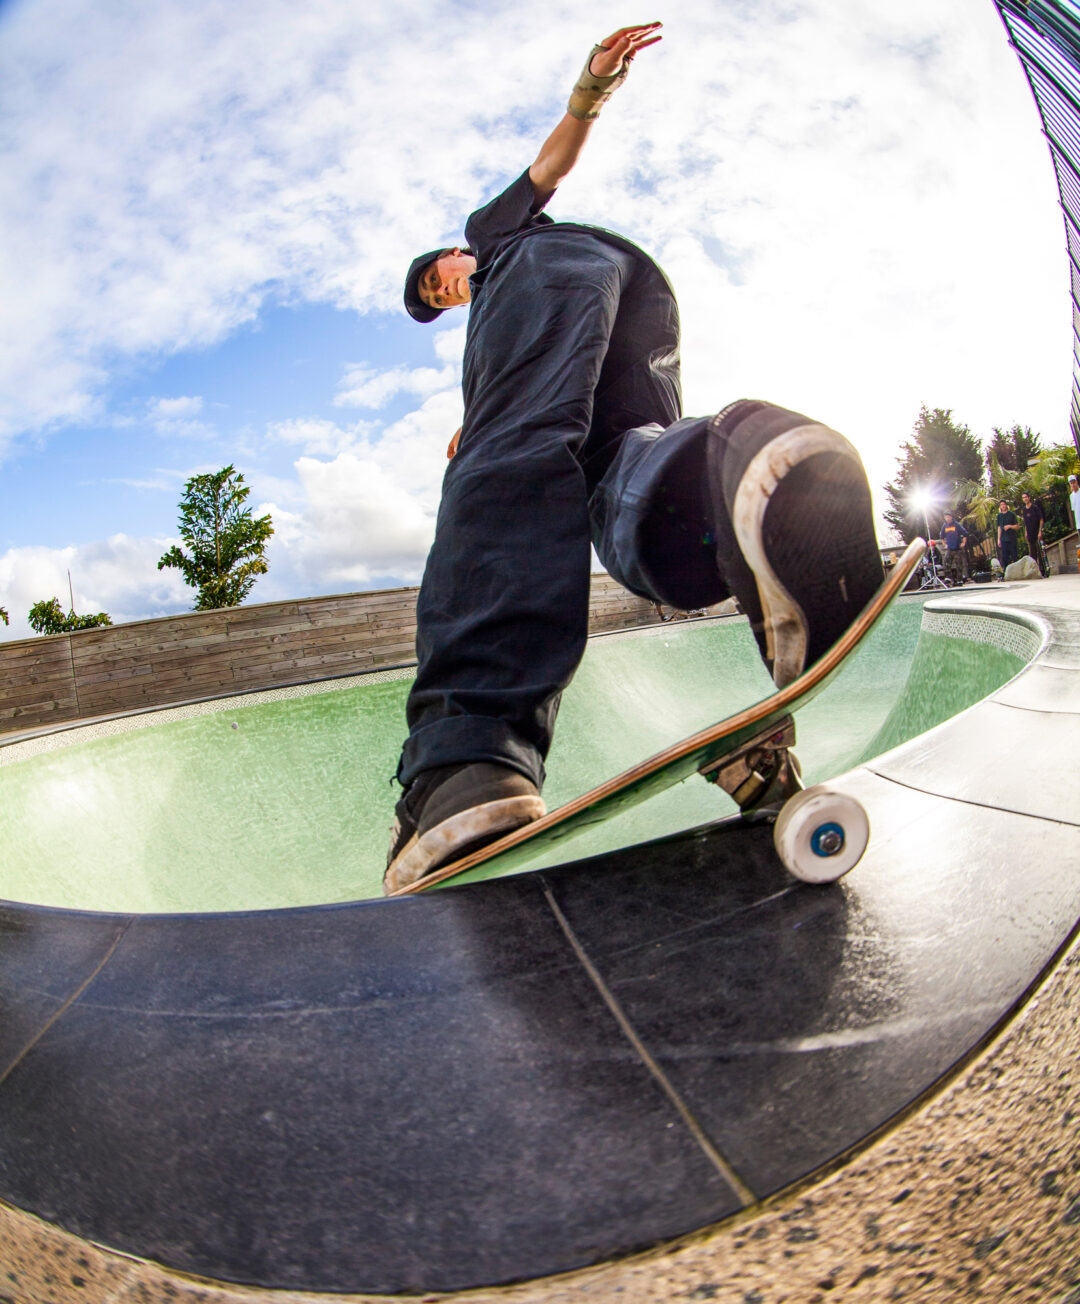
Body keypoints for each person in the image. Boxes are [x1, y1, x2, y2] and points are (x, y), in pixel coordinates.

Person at [385, 24, 883, 892]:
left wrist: (589, 90)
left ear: (457, 256)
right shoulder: (507, 294)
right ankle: (740, 467)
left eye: (442, 278)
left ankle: (468, 754)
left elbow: (552, 165)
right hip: (636, 301)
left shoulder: (500, 238)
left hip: (554, 273)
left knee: (504, 468)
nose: (450, 287)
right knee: (626, 478)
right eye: (441, 294)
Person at [936, 511, 969, 585]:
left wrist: (963, 543)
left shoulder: (956, 524)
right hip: (949, 548)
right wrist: (944, 544)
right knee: (947, 563)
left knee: (959, 565)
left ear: (951, 517)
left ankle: (959, 579)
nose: (947, 518)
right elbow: (942, 536)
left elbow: (965, 534)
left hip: (957, 547)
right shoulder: (945, 525)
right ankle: (948, 578)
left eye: (948, 517)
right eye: (946, 517)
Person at [1021, 491, 1047, 575]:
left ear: (1029, 498)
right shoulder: (1024, 510)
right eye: (1023, 497)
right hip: (1030, 534)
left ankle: (1043, 571)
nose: (1025, 499)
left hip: (1037, 533)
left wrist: (1040, 531)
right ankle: (1035, 572)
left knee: (1040, 553)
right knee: (1032, 555)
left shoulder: (1035, 508)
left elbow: (1041, 520)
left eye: (1026, 497)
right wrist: (1026, 532)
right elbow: (1025, 523)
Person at [995, 499, 1019, 569]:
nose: (1003, 506)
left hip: (1012, 538)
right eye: (1001, 505)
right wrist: (998, 539)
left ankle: (1016, 570)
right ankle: (1006, 571)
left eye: (1004, 504)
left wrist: (1009, 526)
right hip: (1003, 538)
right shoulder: (999, 516)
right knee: (1005, 557)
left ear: (1006, 505)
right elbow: (999, 527)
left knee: (1014, 555)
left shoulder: (1011, 514)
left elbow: (1017, 526)